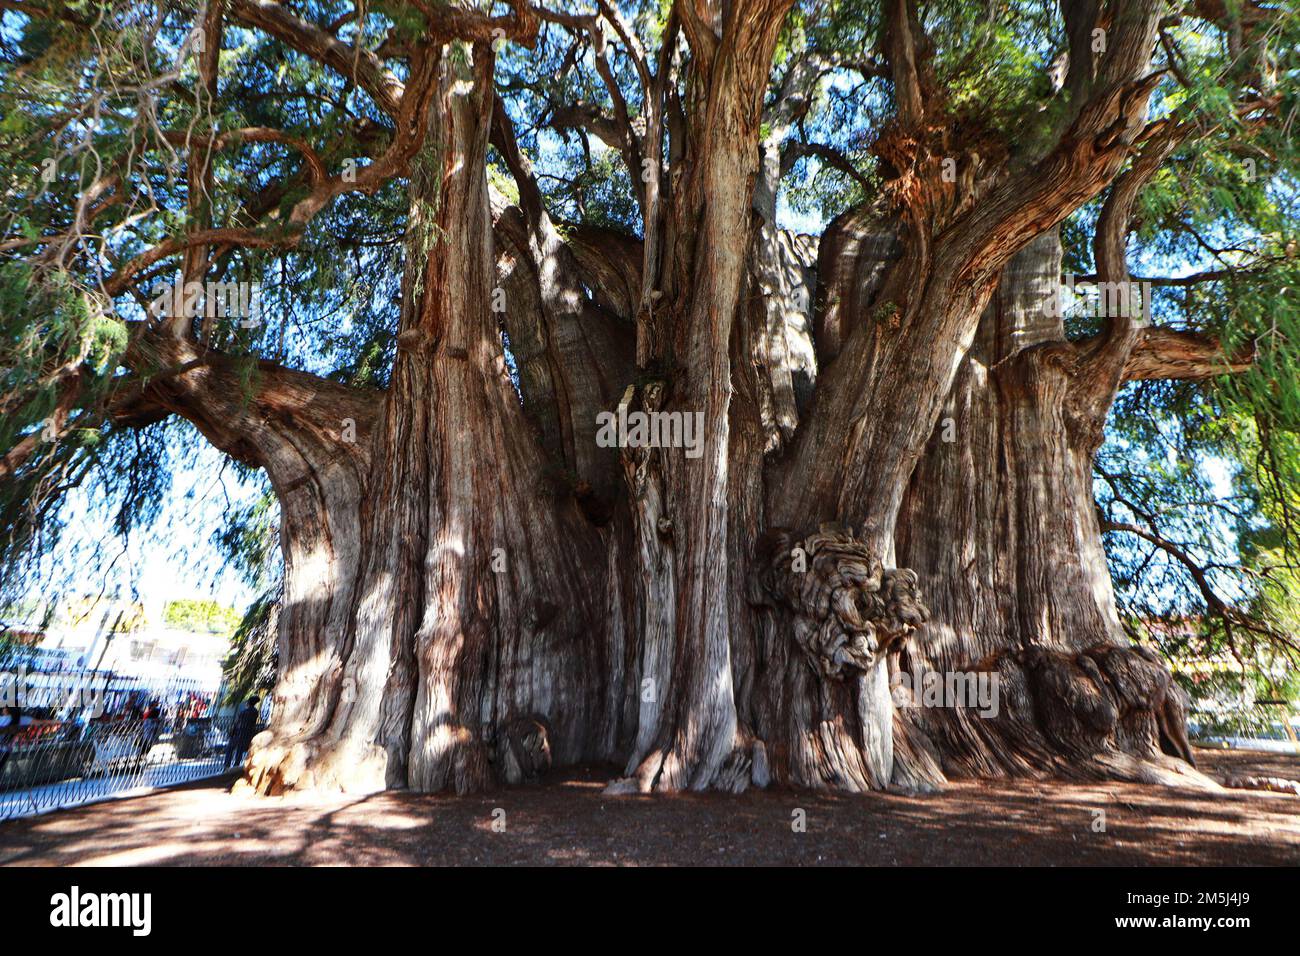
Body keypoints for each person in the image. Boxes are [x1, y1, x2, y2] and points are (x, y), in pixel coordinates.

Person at [223, 698, 260, 770]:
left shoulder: (244, 712)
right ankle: (236, 765)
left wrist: (232, 732)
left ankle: (227, 765)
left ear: (248, 703)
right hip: (246, 734)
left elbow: (237, 723)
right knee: (239, 750)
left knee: (230, 748)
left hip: (238, 733)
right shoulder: (255, 712)